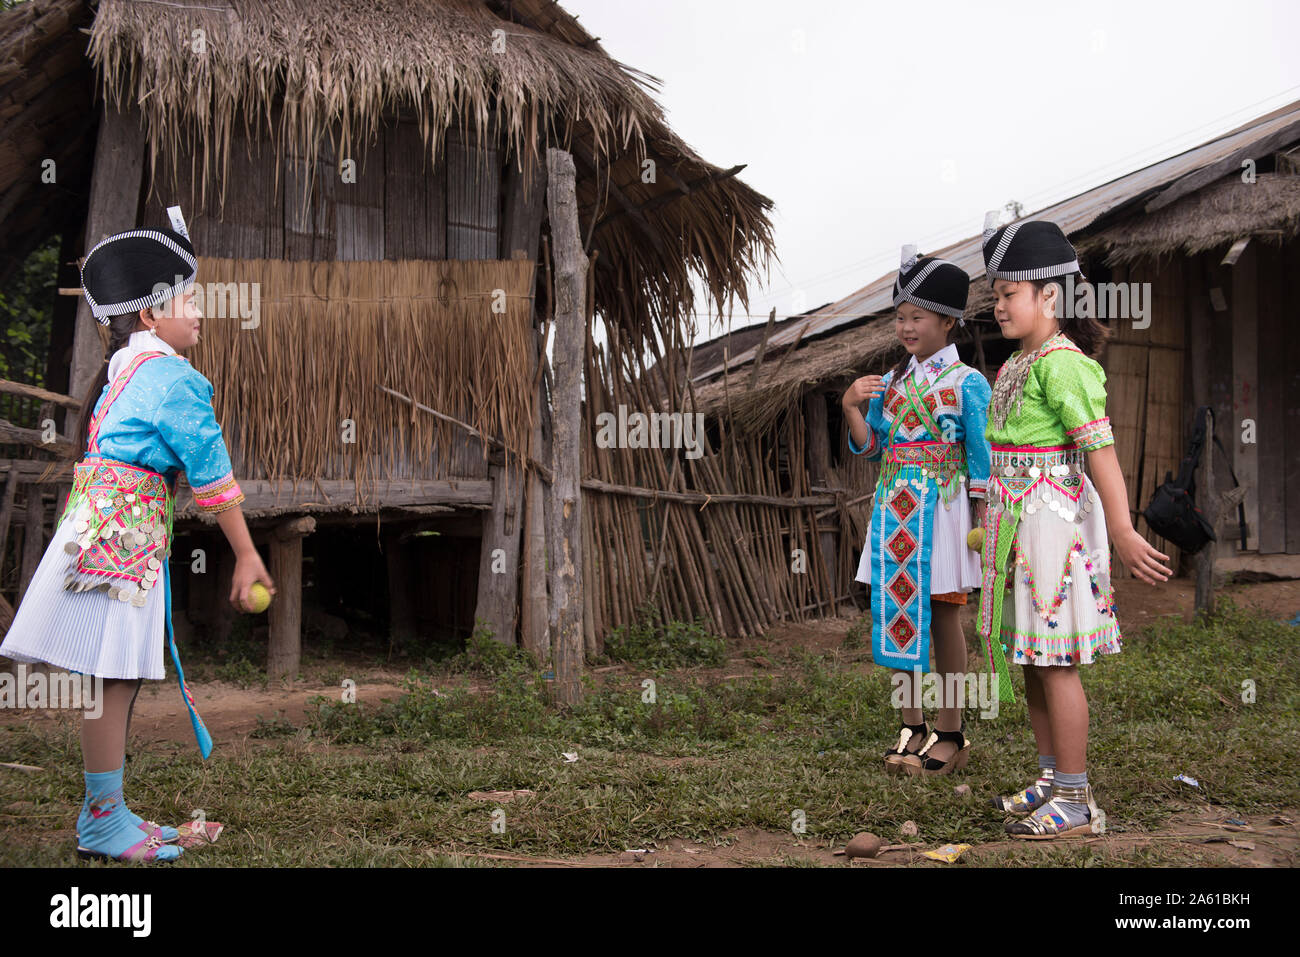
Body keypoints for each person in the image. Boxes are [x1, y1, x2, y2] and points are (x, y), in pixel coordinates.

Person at [0, 219, 274, 862]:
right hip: (120, 537)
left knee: (112, 674)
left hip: (105, 529)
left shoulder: (124, 370)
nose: (201, 311)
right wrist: (247, 552)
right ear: (151, 315)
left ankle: (111, 812)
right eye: (188, 299)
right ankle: (102, 821)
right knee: (115, 675)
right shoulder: (173, 377)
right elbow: (212, 471)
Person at [976, 213, 1171, 837]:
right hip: (1017, 528)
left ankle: (1078, 796)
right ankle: (1050, 777)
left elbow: (1100, 451)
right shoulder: (1012, 366)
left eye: (1009, 294)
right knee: (1032, 656)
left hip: (1050, 529)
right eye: (996, 295)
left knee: (1056, 662)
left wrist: (1122, 527)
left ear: (1048, 296)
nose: (999, 306)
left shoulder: (1065, 364)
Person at [843, 245, 991, 776]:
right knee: (900, 609)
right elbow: (871, 447)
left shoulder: (967, 383)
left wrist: (982, 523)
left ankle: (951, 731)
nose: (905, 326)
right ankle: (913, 725)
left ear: (947, 322)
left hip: (946, 514)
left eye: (916, 316)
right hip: (895, 508)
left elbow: (982, 459)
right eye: (900, 316)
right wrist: (851, 407)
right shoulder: (894, 382)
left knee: (946, 614)